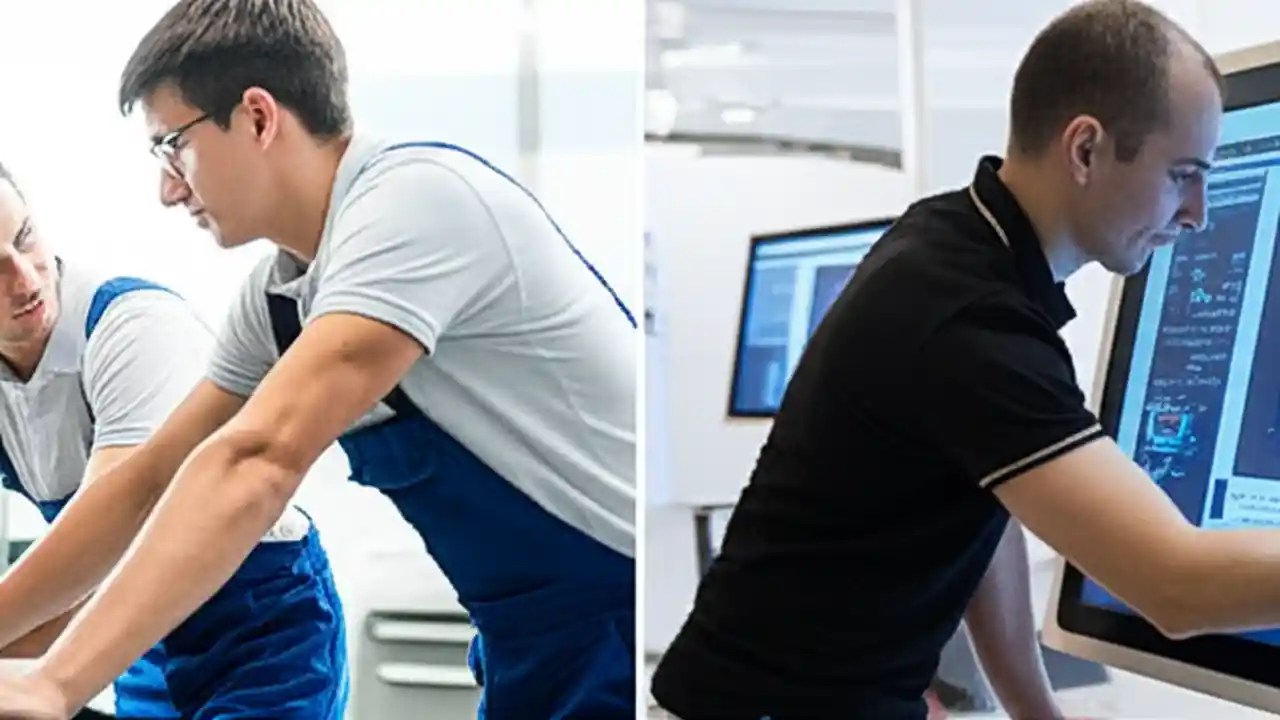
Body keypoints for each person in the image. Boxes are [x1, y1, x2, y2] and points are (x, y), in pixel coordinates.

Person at [0, 0, 637, 717]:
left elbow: (258, 458)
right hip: (530, 642)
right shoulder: (280, 296)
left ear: (258, 116)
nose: (167, 188)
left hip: (623, 612)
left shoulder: (415, 205)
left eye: (171, 146)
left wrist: (55, 684)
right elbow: (151, 479)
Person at [650, 1, 1234, 719]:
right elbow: (1173, 586)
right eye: (1183, 174)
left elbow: (986, 496)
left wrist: (1035, 711)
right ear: (1084, 150)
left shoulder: (954, 241)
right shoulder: (968, 315)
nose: (1198, 212)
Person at [0, 163, 349, 719]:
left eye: (25, 238)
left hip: (262, 630)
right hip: (139, 642)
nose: (25, 279)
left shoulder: (131, 327)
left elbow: (119, 531)